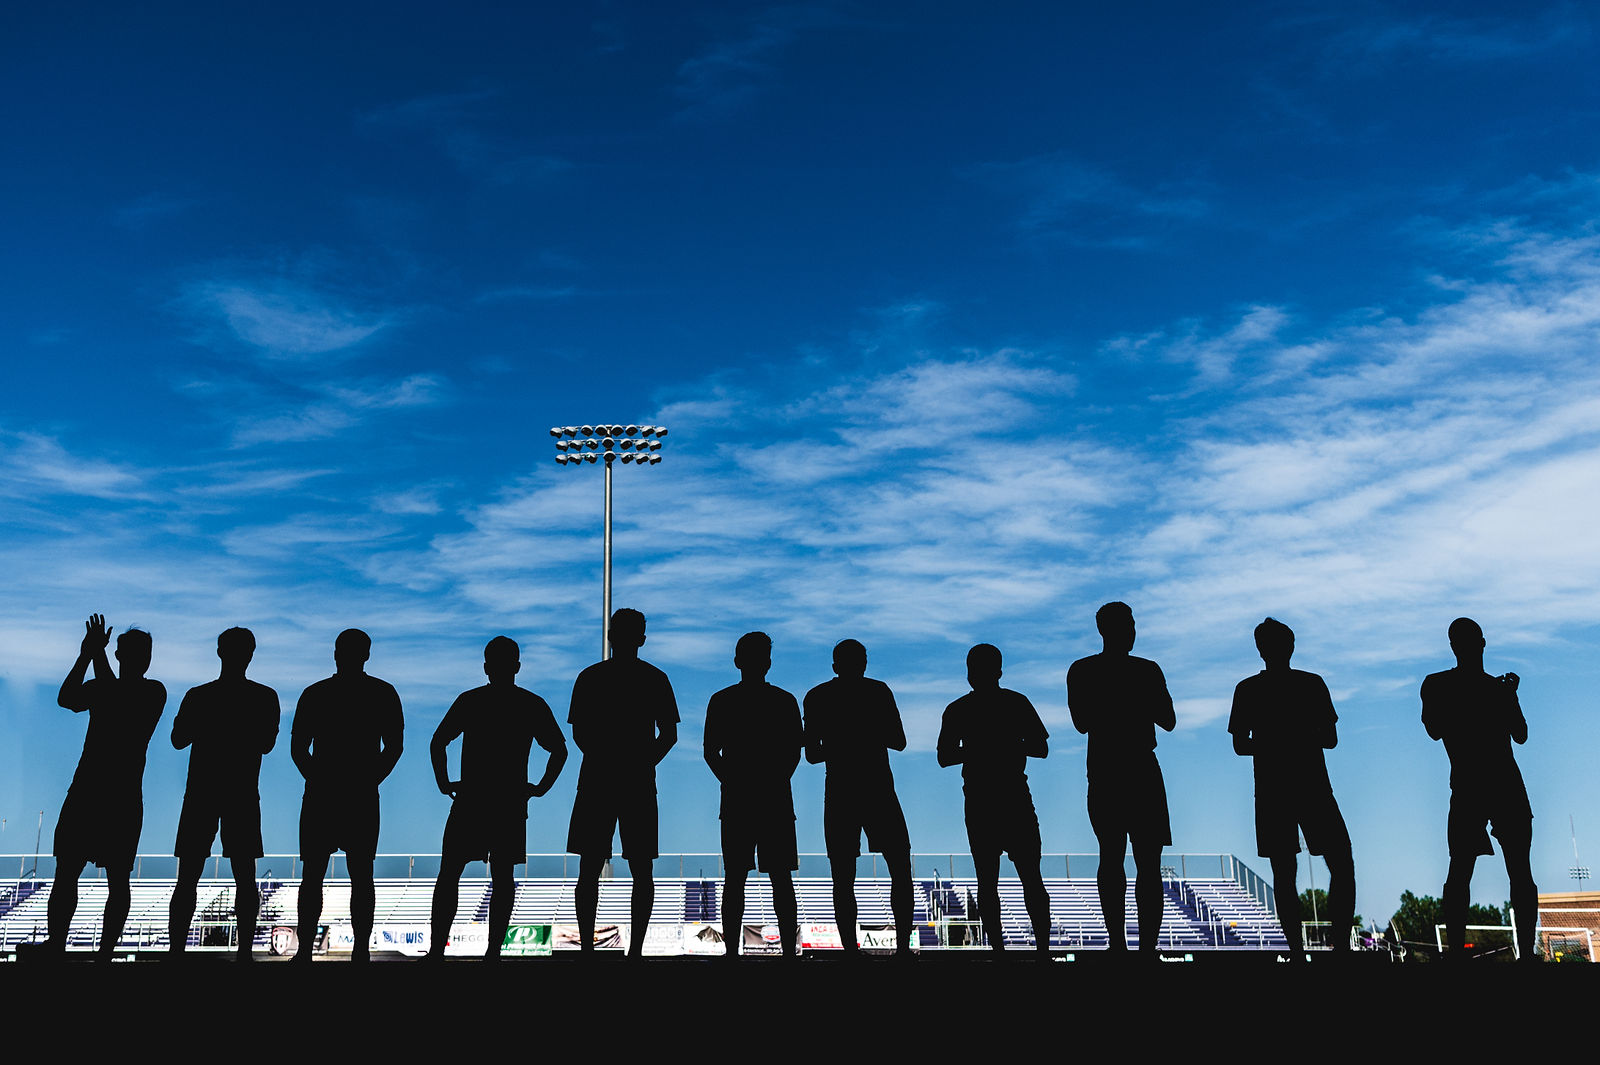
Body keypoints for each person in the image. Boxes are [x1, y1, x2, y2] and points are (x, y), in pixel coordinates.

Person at [425, 636, 567, 961]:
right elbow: (559, 750)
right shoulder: (530, 704)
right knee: (502, 877)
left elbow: (438, 741)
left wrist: (443, 781)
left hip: (472, 799)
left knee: (451, 874)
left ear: (486, 667)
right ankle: (492, 954)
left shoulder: (471, 700)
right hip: (508, 801)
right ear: (517, 666)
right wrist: (539, 788)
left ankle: (437, 952)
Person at [1227, 618, 1354, 955]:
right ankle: (1340, 946)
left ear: (1260, 649)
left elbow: (1240, 745)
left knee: (1285, 872)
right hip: (1312, 786)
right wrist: (1299, 739)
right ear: (1291, 646)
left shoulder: (1248, 689)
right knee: (1340, 863)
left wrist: (1271, 744)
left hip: (1273, 789)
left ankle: (1299, 952)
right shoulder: (1311, 684)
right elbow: (1331, 739)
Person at [49, 614, 166, 958]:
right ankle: (86, 952)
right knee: (85, 874)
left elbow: (105, 697)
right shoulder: (134, 690)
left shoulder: (150, 691)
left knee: (96, 875)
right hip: (112, 795)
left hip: (99, 793)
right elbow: (67, 698)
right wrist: (87, 655)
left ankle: (85, 951)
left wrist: (91, 653)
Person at [1422, 617, 1537, 962]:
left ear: (1454, 646)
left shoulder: (1440, 685)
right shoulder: (1492, 689)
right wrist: (1507, 697)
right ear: (1482, 643)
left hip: (1472, 785)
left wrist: (1506, 696)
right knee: (1516, 871)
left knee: (1462, 870)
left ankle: (1458, 954)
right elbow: (1520, 735)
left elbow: (1435, 729)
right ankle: (1524, 954)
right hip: (1501, 784)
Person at [567, 609, 678, 957]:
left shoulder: (590, 677)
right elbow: (669, 735)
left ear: (610, 636)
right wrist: (643, 762)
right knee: (641, 868)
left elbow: (579, 732)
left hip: (597, 780)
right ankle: (635, 952)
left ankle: (588, 950)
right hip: (636, 782)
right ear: (642, 639)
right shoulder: (655, 678)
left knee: (590, 867)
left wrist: (604, 757)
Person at [1066, 602, 1175, 955]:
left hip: (1109, 770)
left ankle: (1123, 945)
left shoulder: (1083, 670)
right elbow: (1168, 719)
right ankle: (1139, 948)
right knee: (1140, 862)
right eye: (1128, 625)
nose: (1131, 632)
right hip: (1134, 769)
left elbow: (1083, 721)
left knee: (1116, 858)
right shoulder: (1145, 670)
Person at [289, 628, 403, 962]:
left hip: (326, 795)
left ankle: (309, 952)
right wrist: (370, 779)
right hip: (357, 795)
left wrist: (318, 779)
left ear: (335, 653)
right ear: (366, 655)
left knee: (316, 876)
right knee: (359, 875)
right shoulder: (382, 693)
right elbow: (394, 747)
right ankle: (359, 951)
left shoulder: (316, 693)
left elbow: (298, 748)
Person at [168, 627, 280, 960]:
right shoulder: (264, 697)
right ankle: (243, 954)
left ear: (219, 652)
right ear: (251, 654)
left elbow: (178, 740)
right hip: (241, 792)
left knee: (188, 876)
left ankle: (176, 952)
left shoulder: (199, 696)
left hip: (202, 791)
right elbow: (266, 744)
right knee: (245, 875)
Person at [937, 643, 1051, 954]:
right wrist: (1008, 745)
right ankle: (1041, 952)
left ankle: (1001, 952)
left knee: (989, 881)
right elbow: (1041, 747)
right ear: (999, 671)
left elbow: (945, 756)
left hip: (982, 800)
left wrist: (978, 749)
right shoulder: (1016, 703)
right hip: (1012, 797)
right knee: (1029, 877)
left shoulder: (959, 709)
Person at [803, 639, 914, 957]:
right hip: (878, 788)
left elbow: (812, 754)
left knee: (843, 875)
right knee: (899, 867)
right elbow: (899, 741)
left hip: (841, 790)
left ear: (835, 665)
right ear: (863, 663)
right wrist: (866, 734)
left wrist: (840, 742)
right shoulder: (878, 692)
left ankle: (852, 952)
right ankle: (902, 949)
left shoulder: (818, 696)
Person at [703, 632, 803, 958]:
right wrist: (777, 779)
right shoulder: (784, 701)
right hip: (774, 798)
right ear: (768, 663)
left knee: (735, 879)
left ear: (737, 662)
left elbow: (710, 752)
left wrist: (730, 781)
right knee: (780, 878)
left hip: (738, 800)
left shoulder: (722, 700)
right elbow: (794, 751)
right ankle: (788, 953)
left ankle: (732, 953)